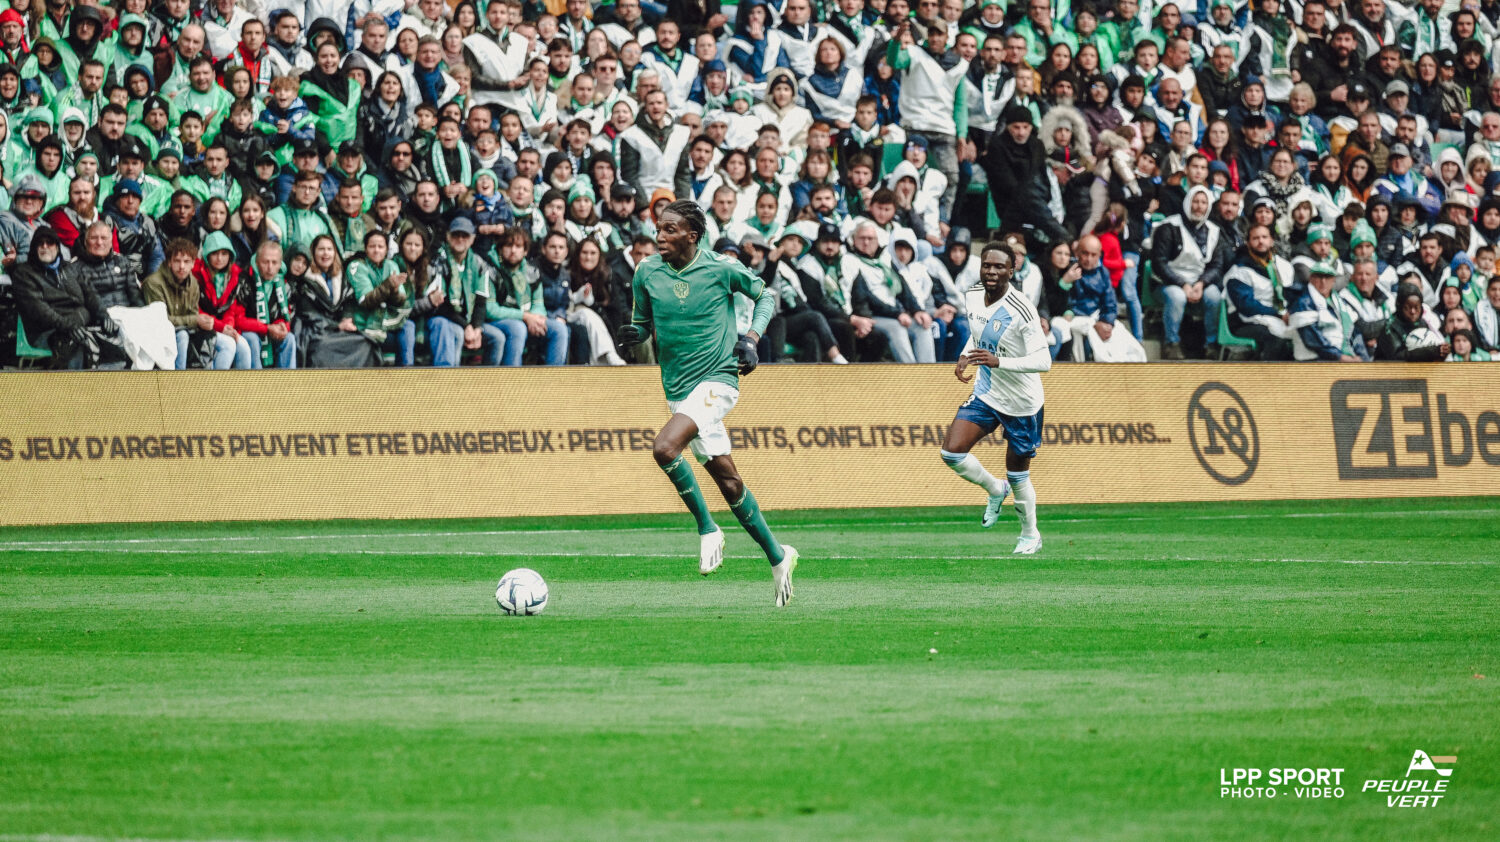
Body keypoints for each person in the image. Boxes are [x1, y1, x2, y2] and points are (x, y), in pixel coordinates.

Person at [616, 199, 799, 606]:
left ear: (691, 235)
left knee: (664, 448)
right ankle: (778, 555)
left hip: (718, 380)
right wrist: (635, 336)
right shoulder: (646, 273)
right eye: (658, 229)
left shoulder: (721, 267)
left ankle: (707, 528)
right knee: (728, 481)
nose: (659, 237)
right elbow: (642, 325)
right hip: (679, 389)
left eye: (669, 230)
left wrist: (751, 339)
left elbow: (765, 296)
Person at [941, 240, 1049, 554]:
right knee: (951, 453)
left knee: (1018, 474)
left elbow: (1044, 361)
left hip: (1022, 404)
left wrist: (999, 362)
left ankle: (1030, 535)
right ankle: (993, 488)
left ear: (1012, 271)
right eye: (987, 265)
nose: (991, 271)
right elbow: (980, 337)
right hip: (988, 393)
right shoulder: (973, 295)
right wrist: (965, 356)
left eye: (999, 266)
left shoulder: (1022, 309)